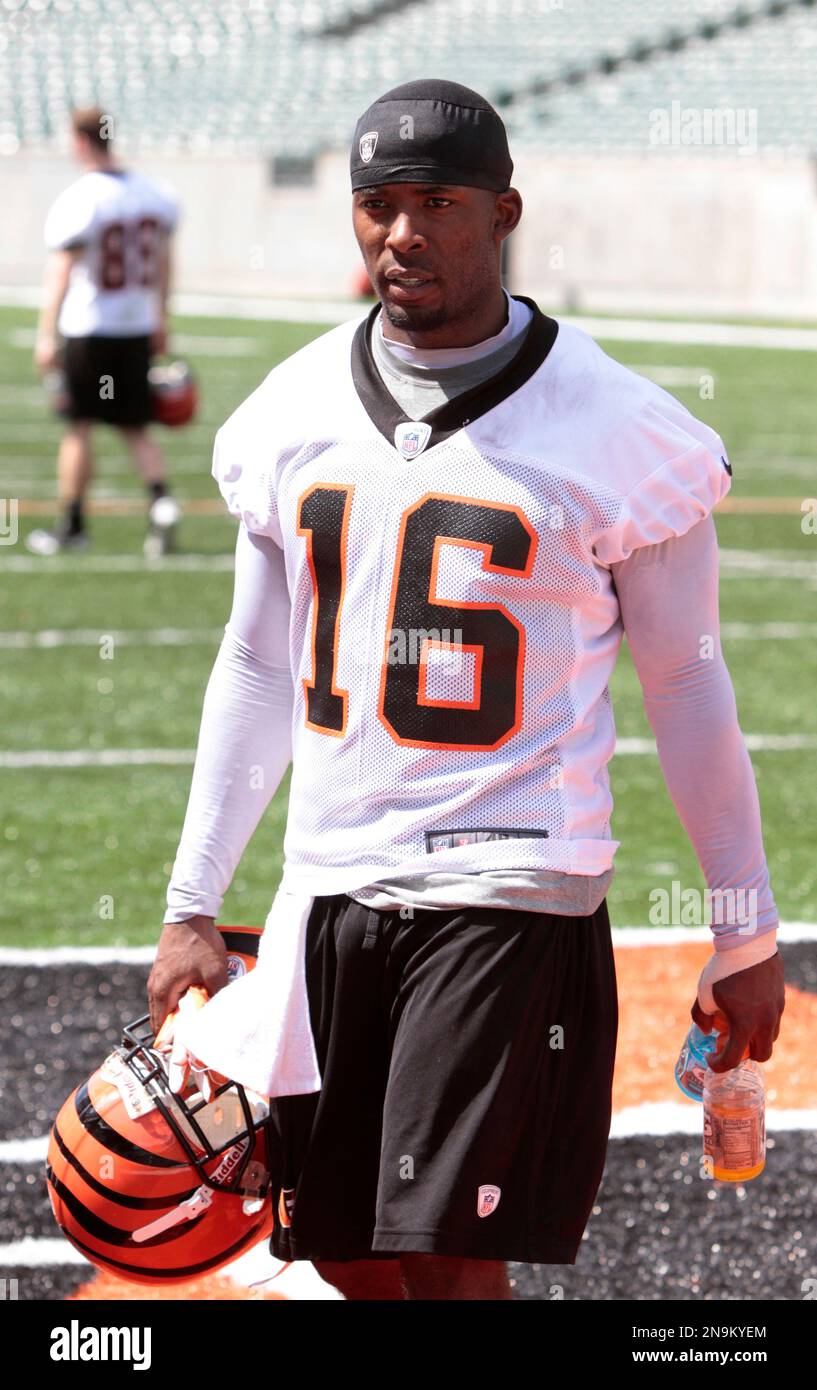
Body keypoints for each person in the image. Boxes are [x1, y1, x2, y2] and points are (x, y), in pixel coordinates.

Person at [148, 80, 785, 1302]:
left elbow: (689, 688)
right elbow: (255, 663)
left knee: (443, 1251)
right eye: (378, 204)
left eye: (435, 203)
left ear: (503, 212)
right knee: (334, 1241)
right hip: (330, 881)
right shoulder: (291, 408)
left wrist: (741, 926)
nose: (403, 232)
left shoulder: (618, 427)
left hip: (510, 885)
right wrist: (192, 899)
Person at [29, 107, 182, 558]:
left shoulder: (82, 198)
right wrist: (162, 316)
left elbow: (61, 271)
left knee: (79, 426)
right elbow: (164, 263)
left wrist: (45, 334)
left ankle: (73, 524)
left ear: (80, 141)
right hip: (135, 326)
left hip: (90, 326)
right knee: (135, 424)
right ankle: (162, 502)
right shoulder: (155, 193)